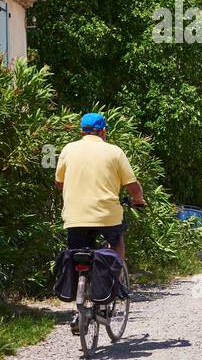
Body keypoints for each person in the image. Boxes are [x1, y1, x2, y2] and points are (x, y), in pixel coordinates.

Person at [55, 113, 147, 333]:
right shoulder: (114, 151)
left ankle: (80, 305)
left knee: (78, 254)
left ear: (81, 131)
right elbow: (132, 185)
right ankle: (113, 286)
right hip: (107, 216)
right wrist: (139, 200)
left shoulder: (68, 149)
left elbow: (59, 183)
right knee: (116, 245)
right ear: (104, 131)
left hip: (75, 217)